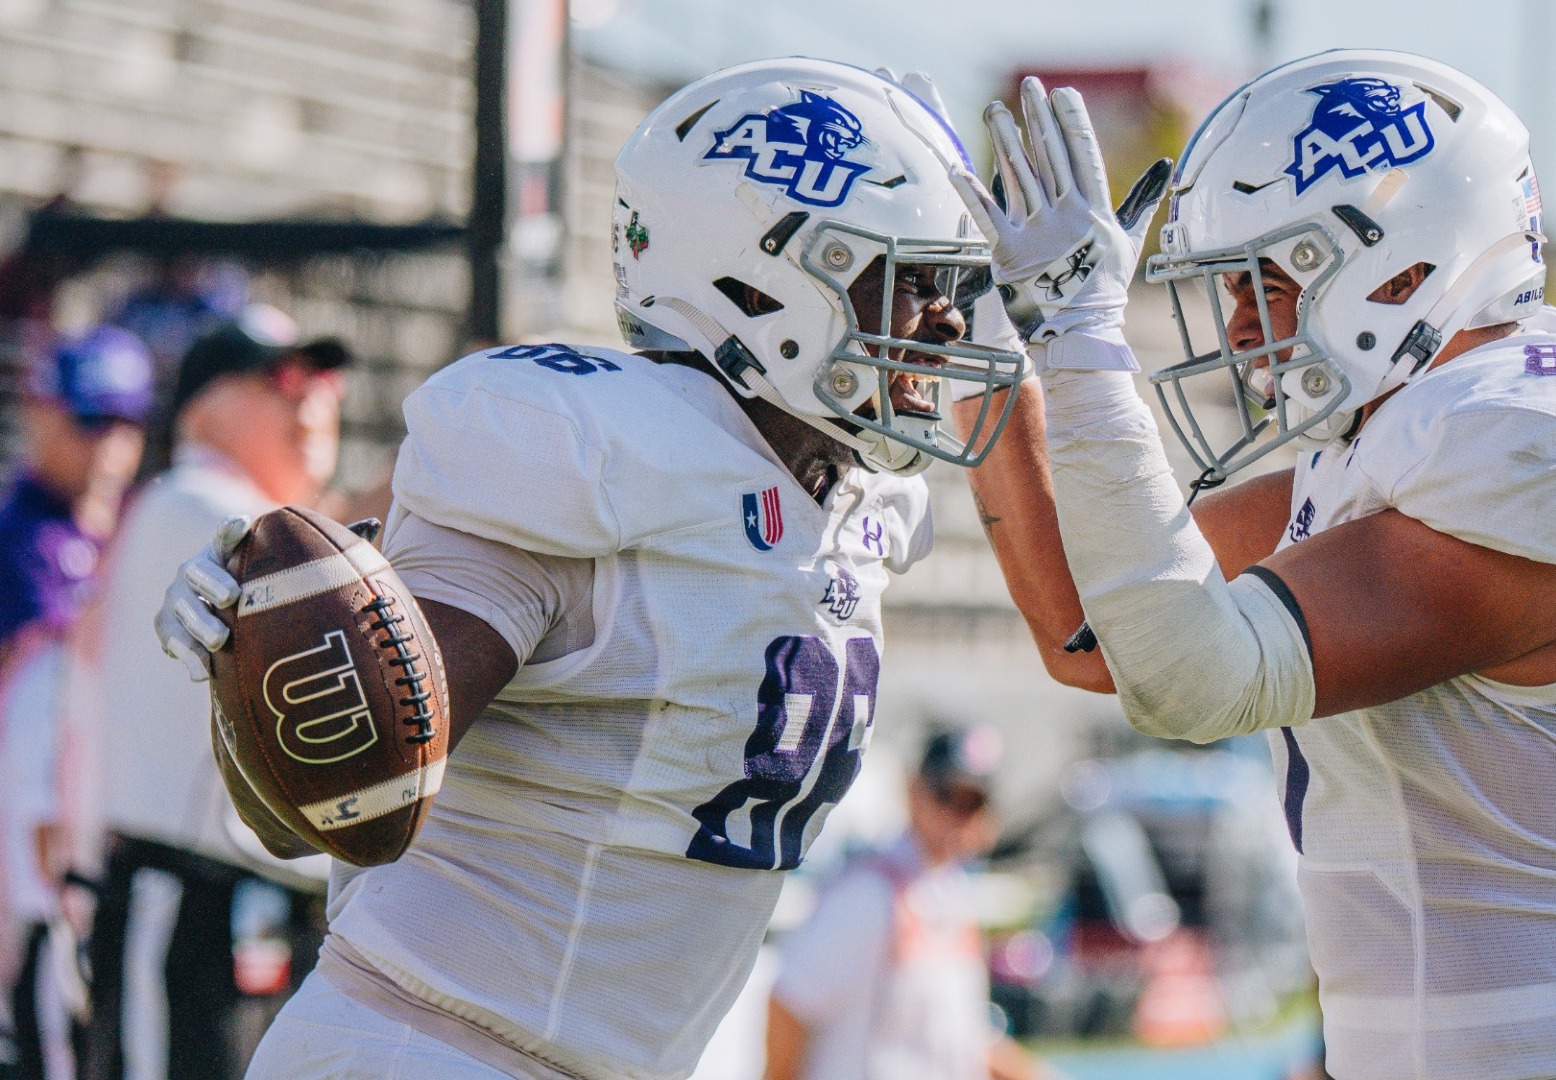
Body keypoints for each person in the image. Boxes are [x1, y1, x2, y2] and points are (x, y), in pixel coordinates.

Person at [153, 60, 1026, 1080]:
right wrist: (264, 658)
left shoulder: (848, 503)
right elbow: (337, 803)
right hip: (427, 1052)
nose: (950, 321)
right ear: (759, 276)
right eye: (912, 278)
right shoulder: (585, 448)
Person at [950, 52, 1556, 1078]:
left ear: (1405, 265)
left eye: (1271, 279)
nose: (1236, 327)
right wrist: (997, 358)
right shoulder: (1379, 452)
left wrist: (1092, 338)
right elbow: (1093, 632)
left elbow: (1193, 677)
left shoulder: (1537, 434)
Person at [80, 307, 351, 1080]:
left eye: (325, 380)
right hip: (184, 906)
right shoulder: (191, 498)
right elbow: (312, 565)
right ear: (204, 408)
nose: (314, 399)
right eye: (284, 377)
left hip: (255, 908)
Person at [0, 326, 152, 1080]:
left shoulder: (126, 526)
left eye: (128, 422)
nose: (111, 445)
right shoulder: (19, 533)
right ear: (43, 415)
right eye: (93, 420)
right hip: (28, 852)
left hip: (99, 838)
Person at [765, 727, 1049, 1080]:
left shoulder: (949, 894)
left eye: (975, 802)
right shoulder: (868, 894)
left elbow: (960, 1041)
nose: (960, 817)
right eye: (948, 797)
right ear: (914, 791)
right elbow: (789, 1004)